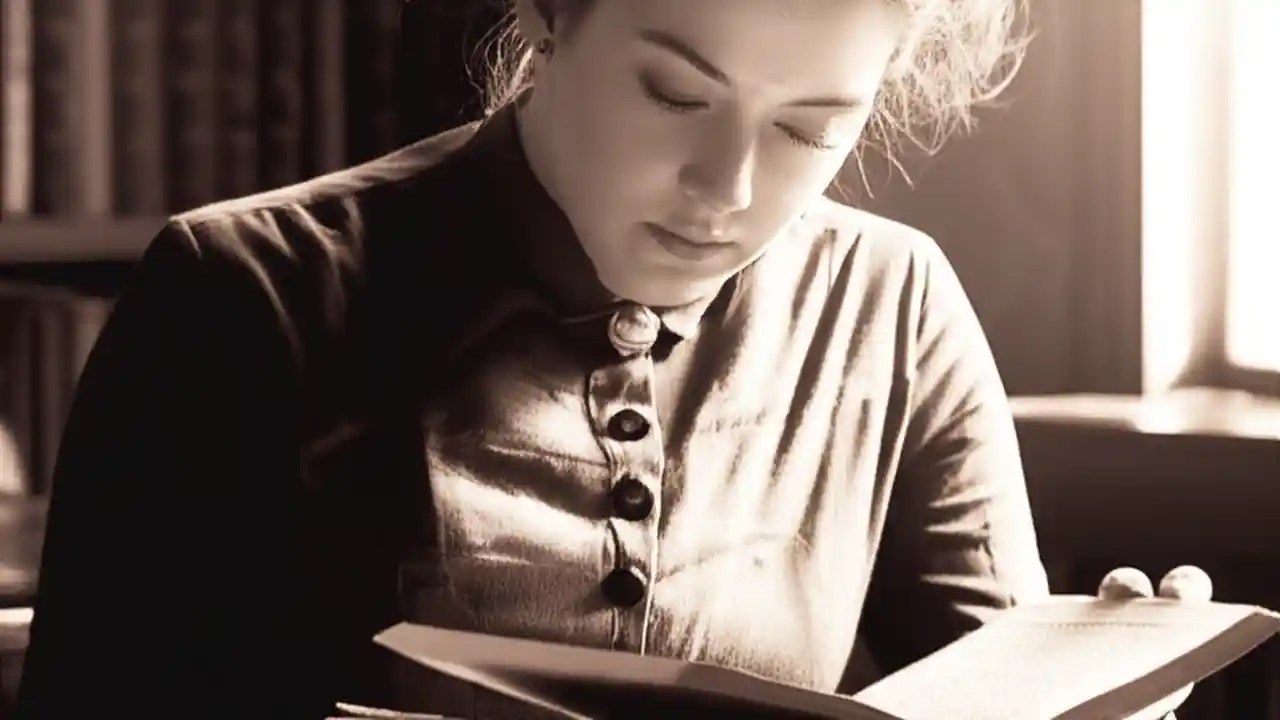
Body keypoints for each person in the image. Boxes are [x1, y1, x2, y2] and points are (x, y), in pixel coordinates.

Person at [15, 1, 1211, 718]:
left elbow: (979, 687)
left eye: (810, 130)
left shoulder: (891, 303)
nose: (728, 192)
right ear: (546, 20)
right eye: (673, 95)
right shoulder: (244, 294)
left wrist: (1117, 691)